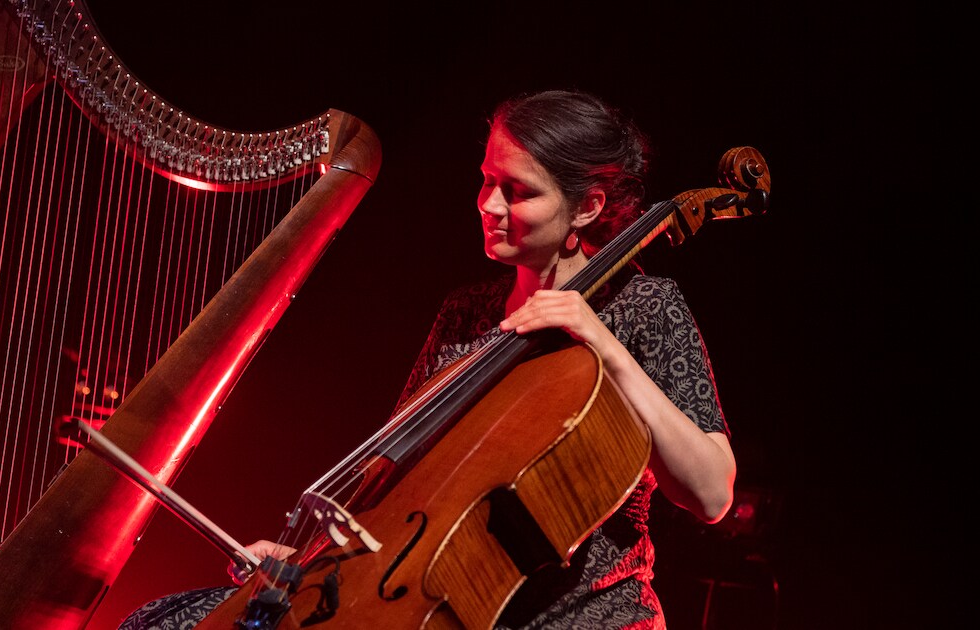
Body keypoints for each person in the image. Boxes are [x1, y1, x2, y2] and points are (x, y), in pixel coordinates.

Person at [119, 88, 736, 630]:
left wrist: (601, 342)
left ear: (589, 207)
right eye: (486, 179)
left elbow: (711, 493)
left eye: (516, 191)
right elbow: (394, 489)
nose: (487, 204)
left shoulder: (646, 306)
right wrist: (304, 562)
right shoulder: (465, 314)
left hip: (583, 614)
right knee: (160, 622)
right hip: (431, 597)